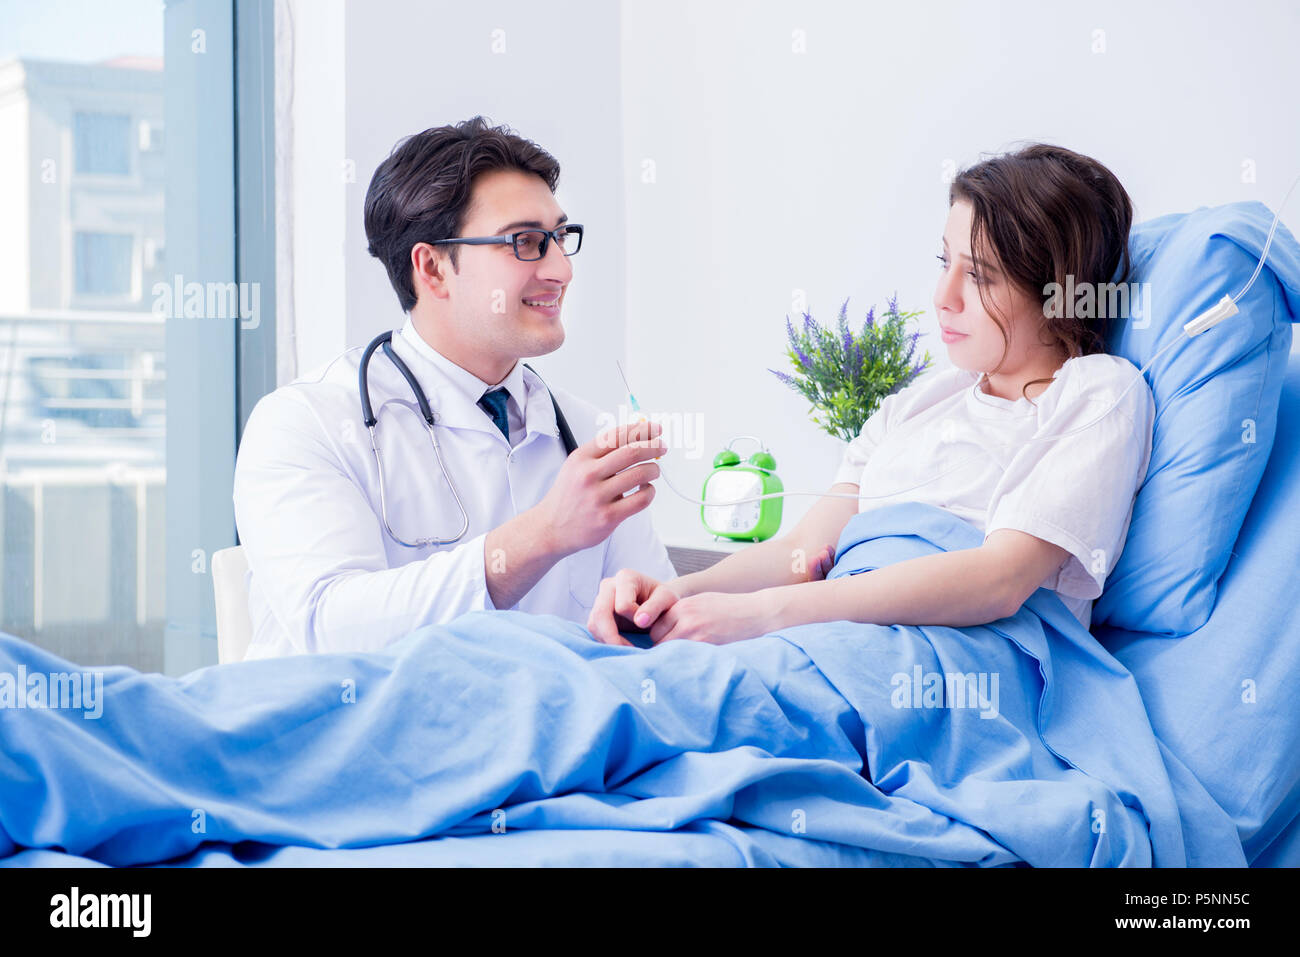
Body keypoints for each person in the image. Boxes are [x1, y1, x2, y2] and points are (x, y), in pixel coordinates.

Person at [587, 143, 1155, 645]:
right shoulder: (922, 403)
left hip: (954, 658)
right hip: (837, 633)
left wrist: (764, 616)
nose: (944, 296)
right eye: (944, 262)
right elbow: (804, 552)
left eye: (980, 276)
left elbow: (999, 581)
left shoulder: (1096, 393)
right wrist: (674, 595)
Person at [233, 117, 675, 658]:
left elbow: (657, 617)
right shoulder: (306, 422)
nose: (562, 269)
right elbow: (332, 627)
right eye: (526, 242)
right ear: (433, 268)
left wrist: (642, 614)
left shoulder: (582, 434)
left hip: (545, 731)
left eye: (560, 238)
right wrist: (544, 534)